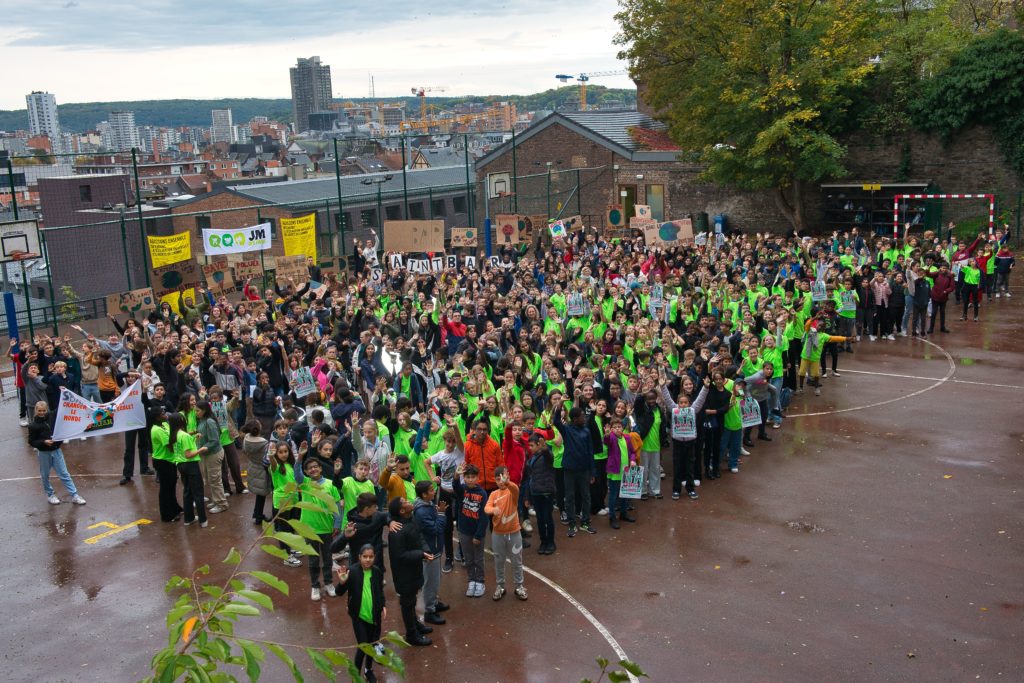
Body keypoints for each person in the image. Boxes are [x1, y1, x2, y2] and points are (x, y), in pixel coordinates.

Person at [334, 544, 386, 683]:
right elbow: (338, 593)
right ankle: (356, 676)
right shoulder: (352, 571)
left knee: (372, 644)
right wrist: (342, 583)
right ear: (359, 557)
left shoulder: (377, 572)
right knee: (363, 646)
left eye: (371, 557)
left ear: (374, 557)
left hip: (374, 615)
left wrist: (383, 605)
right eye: (365, 557)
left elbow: (380, 591)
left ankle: (368, 670)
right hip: (358, 616)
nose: (368, 560)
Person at [387, 496, 433, 646]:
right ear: (401, 510)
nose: (409, 501)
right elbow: (400, 556)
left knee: (412, 600)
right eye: (405, 502)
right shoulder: (397, 531)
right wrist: (421, 554)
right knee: (407, 604)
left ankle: (415, 625)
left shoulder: (411, 520)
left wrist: (425, 549)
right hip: (404, 575)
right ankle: (411, 634)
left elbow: (419, 536)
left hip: (414, 570)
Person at [299, 457, 342, 601]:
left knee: (328, 559)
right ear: (306, 471)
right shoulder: (304, 483)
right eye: (309, 468)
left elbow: (336, 505)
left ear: (320, 468)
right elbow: (296, 474)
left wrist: (337, 524)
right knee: (313, 560)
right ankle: (315, 586)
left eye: (315, 466)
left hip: (326, 528)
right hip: (309, 529)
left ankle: (329, 583)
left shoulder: (330, 484)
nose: (313, 469)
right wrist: (299, 457)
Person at [27, 401, 86, 506]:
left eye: (44, 411)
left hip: (57, 451)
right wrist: (44, 442)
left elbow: (61, 406)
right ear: (36, 410)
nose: (42, 413)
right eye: (39, 411)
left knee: (64, 473)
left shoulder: (52, 416)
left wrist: (63, 392)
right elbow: (31, 441)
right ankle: (50, 495)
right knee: (45, 475)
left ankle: (75, 495)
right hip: (44, 453)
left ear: (47, 410)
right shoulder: (33, 425)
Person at [483, 465, 527, 601]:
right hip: (497, 534)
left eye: (503, 478)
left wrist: (508, 482)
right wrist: (492, 511)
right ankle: (500, 586)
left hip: (514, 533)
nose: (501, 482)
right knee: (499, 561)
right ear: (495, 481)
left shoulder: (512, 491)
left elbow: (514, 488)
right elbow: (486, 507)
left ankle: (519, 586)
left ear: (507, 477)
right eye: (498, 479)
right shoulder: (493, 494)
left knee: (517, 561)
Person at [552, 404, 596, 537]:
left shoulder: (586, 431)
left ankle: (585, 522)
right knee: (569, 497)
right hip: (569, 469)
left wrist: (592, 471)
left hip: (584, 470)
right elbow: (556, 421)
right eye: (582, 416)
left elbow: (590, 451)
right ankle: (572, 524)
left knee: (586, 496)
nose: (584, 418)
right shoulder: (566, 430)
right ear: (575, 419)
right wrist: (560, 405)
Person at [412, 479, 450, 625]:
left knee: (435, 579)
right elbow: (436, 529)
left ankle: (433, 602)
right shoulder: (421, 512)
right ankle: (429, 610)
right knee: (431, 581)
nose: (434, 492)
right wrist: (441, 514)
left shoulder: (426, 505)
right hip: (430, 550)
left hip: (434, 548)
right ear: (424, 494)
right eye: (431, 490)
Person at [452, 463, 489, 597]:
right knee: (468, 558)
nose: (470, 479)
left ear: (477, 478)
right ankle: (471, 580)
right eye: (467, 477)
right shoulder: (463, 490)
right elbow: (455, 487)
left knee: (478, 558)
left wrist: (478, 535)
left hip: (477, 533)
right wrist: (456, 475)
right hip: (464, 531)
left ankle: (480, 581)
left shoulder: (482, 493)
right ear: (464, 478)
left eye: (473, 477)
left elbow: (484, 517)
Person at [168, 412, 208, 528]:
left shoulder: (175, 434)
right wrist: (201, 450)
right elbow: (188, 454)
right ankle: (203, 520)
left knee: (187, 491)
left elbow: (184, 448)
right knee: (198, 492)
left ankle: (188, 518)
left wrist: (194, 439)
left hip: (181, 465)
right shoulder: (184, 435)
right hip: (190, 465)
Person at [524, 432, 557, 554]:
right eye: (529, 445)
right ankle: (543, 541)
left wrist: (545, 448)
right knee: (540, 519)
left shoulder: (546, 455)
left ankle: (551, 542)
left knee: (547, 518)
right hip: (535, 493)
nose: (530, 448)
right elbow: (529, 478)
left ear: (539, 445)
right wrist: (527, 496)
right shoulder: (530, 459)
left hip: (546, 492)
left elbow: (549, 456)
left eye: (532, 445)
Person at [195, 401, 228, 513]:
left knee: (215, 479)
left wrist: (203, 448)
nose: (196, 413)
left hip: (213, 454)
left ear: (204, 411)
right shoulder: (202, 420)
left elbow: (214, 440)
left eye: (198, 410)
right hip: (207, 455)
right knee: (210, 479)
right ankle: (216, 500)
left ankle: (222, 503)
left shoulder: (209, 421)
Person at [149, 406, 180, 522]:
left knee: (172, 484)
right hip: (162, 461)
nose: (165, 414)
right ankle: (167, 514)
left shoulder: (165, 424)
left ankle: (175, 507)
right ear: (157, 417)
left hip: (170, 459)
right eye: (162, 413)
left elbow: (174, 435)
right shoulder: (156, 430)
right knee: (165, 488)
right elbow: (169, 444)